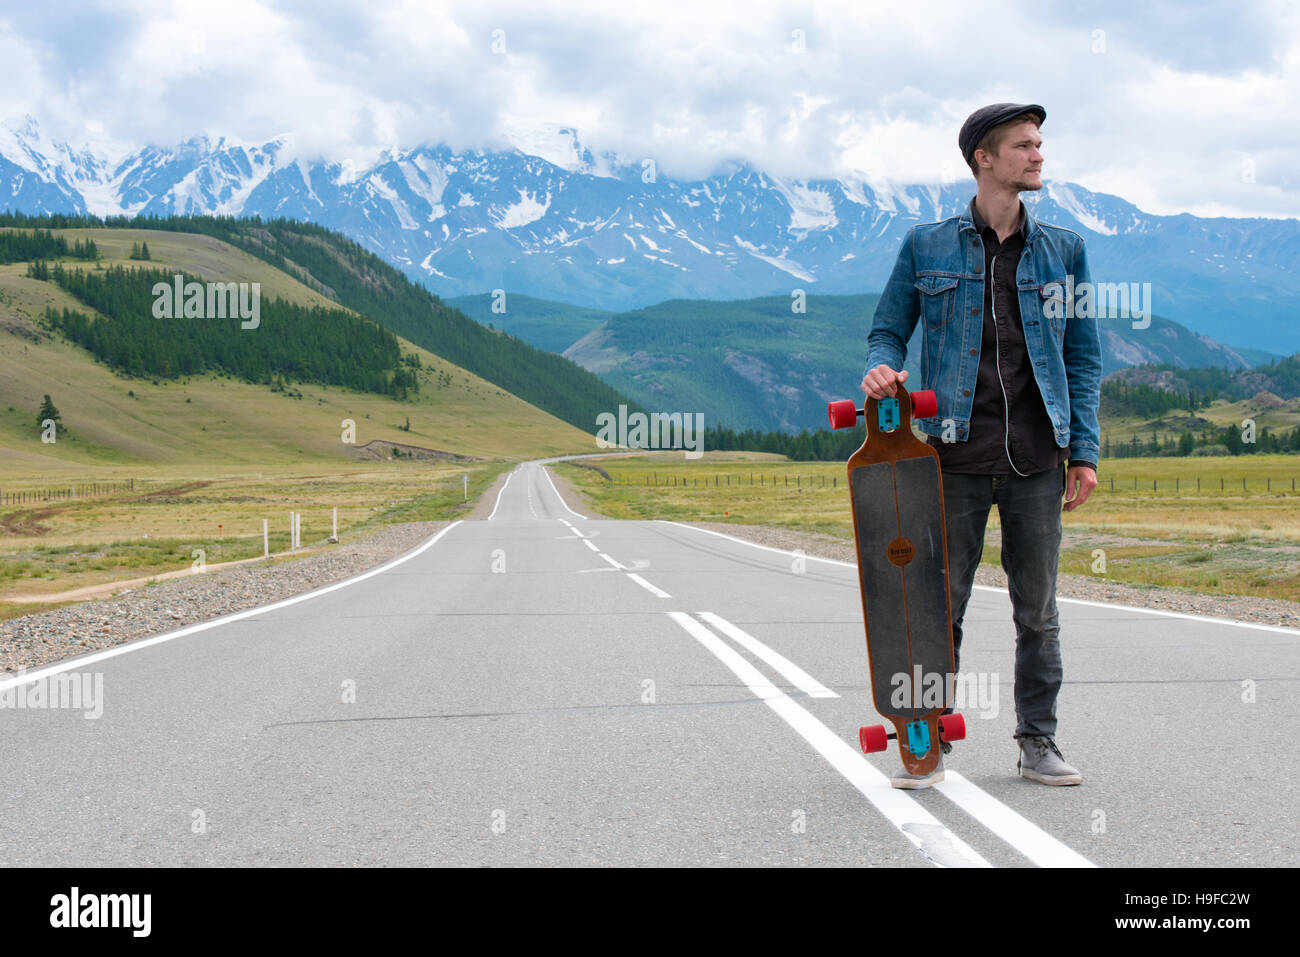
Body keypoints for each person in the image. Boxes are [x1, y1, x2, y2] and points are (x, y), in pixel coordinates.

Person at [861, 102, 1101, 789]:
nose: (1039, 154)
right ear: (984, 159)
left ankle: (1038, 741)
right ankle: (927, 738)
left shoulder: (1066, 251)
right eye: (1025, 145)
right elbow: (886, 330)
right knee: (939, 606)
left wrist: (1082, 450)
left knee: (1039, 608)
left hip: (1036, 457)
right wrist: (882, 368)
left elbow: (1083, 359)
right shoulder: (926, 245)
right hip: (951, 456)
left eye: (1040, 143)